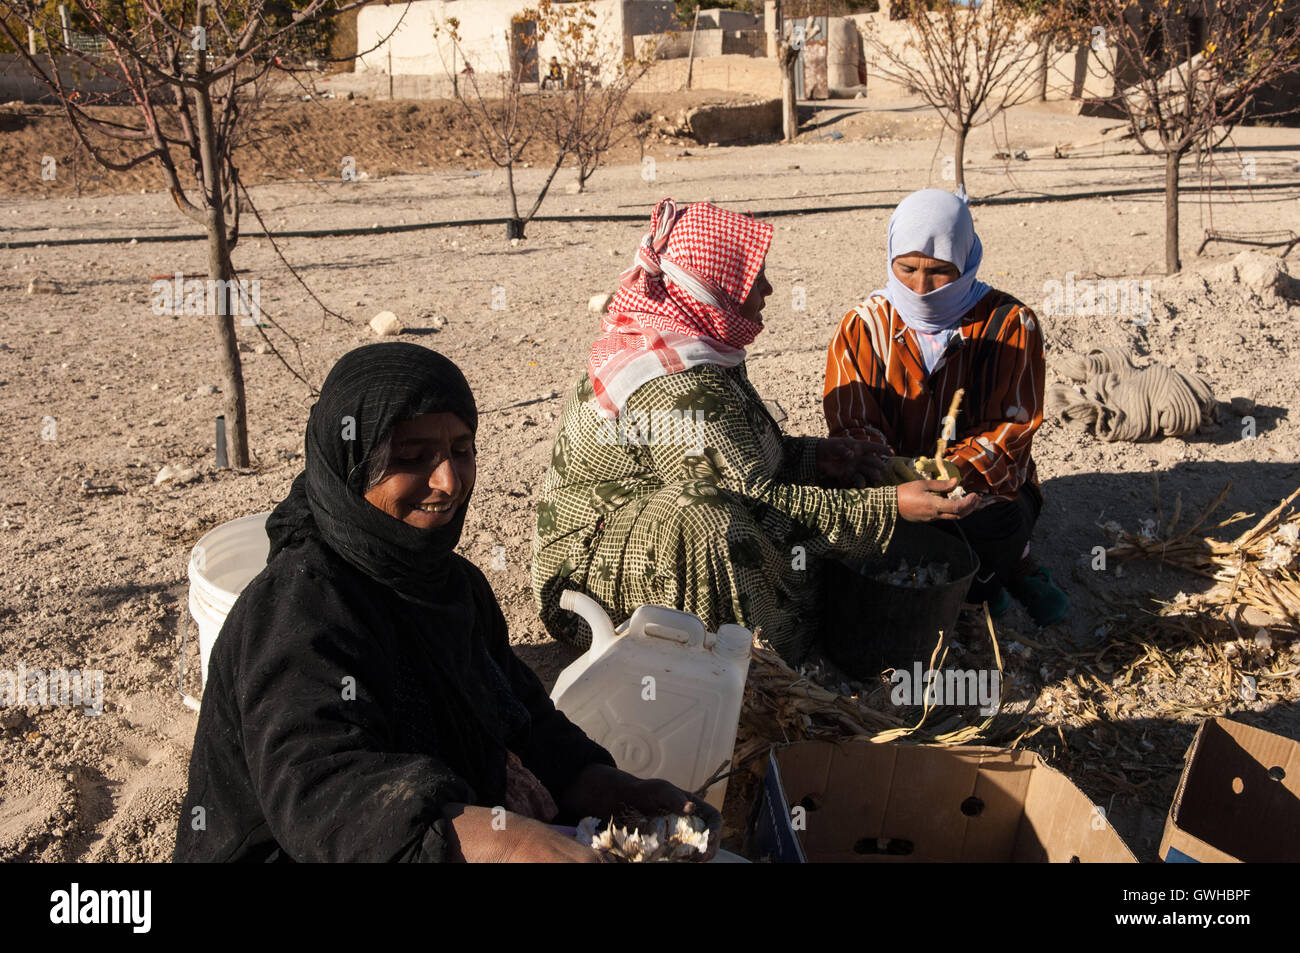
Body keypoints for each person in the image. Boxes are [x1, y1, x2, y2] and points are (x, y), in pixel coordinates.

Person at [174, 342, 719, 862]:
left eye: (461, 451)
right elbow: (324, 796)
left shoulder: (452, 585)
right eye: (411, 457)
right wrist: (509, 846)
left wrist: (611, 787)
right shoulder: (300, 609)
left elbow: (520, 717)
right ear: (350, 465)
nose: (448, 481)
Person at [531, 198, 978, 664]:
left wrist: (817, 458)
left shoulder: (696, 346)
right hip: (586, 586)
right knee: (703, 517)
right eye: (752, 280)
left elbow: (735, 454)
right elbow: (752, 503)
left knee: (752, 506)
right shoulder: (674, 386)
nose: (767, 289)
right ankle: (722, 664)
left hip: (644, 528)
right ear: (712, 289)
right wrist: (889, 508)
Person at [822, 188, 1068, 625]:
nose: (920, 286)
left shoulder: (1011, 323)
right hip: (891, 491)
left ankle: (1011, 568)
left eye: (939, 272)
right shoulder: (863, 326)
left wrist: (949, 475)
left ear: (966, 262)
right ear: (891, 258)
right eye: (908, 268)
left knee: (995, 527)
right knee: (852, 536)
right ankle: (984, 583)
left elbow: (1008, 429)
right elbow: (853, 421)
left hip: (978, 490)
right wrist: (894, 477)